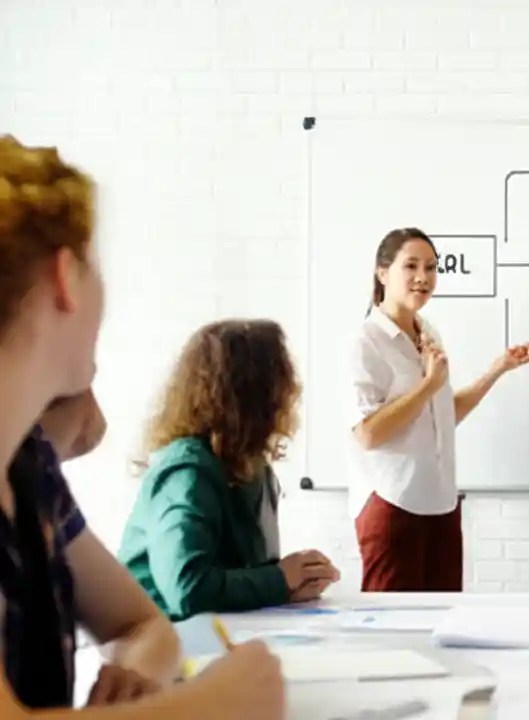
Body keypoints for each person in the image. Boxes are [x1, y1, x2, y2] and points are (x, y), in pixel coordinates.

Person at [0, 134, 284, 717]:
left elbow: (140, 622)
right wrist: (222, 701)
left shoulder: (31, 468)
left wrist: (135, 675)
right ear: (65, 278)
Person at [348, 227, 529, 591]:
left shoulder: (429, 332)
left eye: (432, 268)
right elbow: (368, 434)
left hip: (441, 504)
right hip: (393, 505)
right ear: (383, 273)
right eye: (412, 266)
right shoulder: (366, 341)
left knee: (444, 625)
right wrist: (428, 386)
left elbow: (442, 416)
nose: (423, 277)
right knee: (392, 631)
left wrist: (498, 368)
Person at [117, 319, 341, 620]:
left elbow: (239, 573)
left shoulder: (253, 466)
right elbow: (188, 590)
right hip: (161, 646)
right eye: (284, 380)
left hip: (211, 637)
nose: (293, 391)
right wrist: (279, 579)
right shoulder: (187, 472)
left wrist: (287, 586)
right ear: (254, 394)